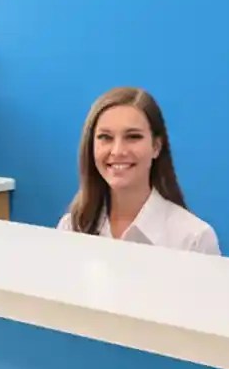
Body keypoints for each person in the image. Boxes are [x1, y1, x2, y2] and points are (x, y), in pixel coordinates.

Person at [57, 86, 220, 255]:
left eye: (133, 137)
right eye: (105, 137)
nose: (118, 151)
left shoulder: (193, 239)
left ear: (156, 147)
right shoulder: (71, 228)